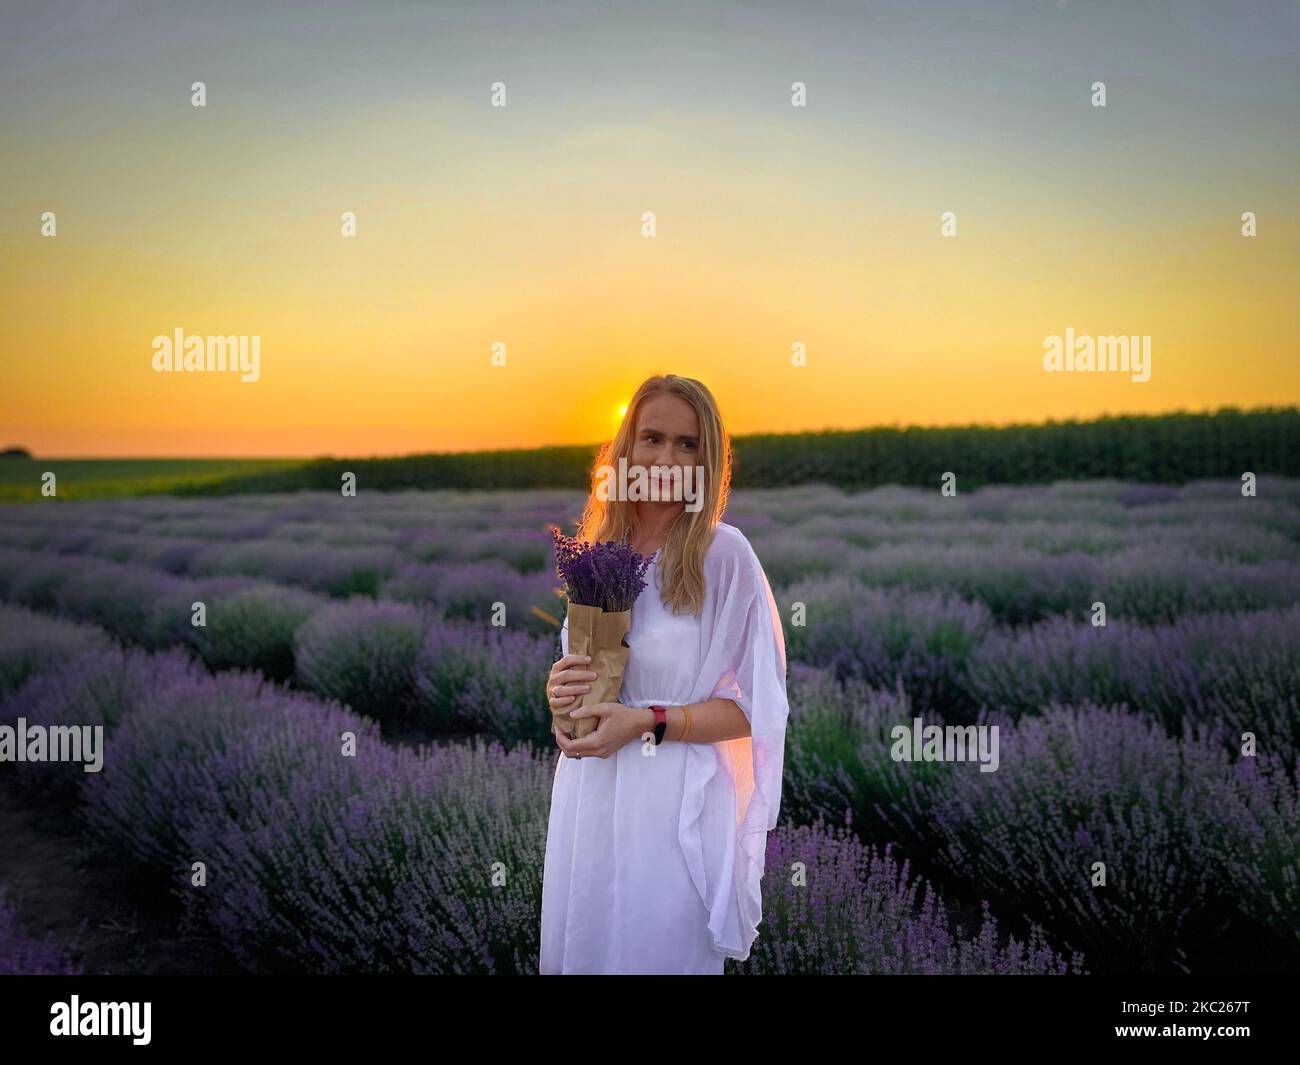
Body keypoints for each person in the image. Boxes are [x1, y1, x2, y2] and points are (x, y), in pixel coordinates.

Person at [539, 373, 789, 974]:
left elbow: (757, 711)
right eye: (652, 437)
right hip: (591, 794)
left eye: (688, 444)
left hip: (674, 803)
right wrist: (559, 695)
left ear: (708, 461)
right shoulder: (597, 551)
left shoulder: (723, 556)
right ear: (627, 447)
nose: (666, 457)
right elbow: (588, 671)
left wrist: (646, 721)